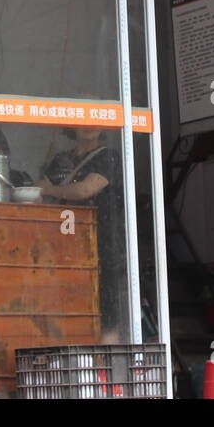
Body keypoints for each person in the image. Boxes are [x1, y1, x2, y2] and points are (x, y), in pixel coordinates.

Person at [37, 126, 126, 341]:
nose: (89, 126)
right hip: (65, 246)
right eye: (84, 120)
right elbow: (38, 186)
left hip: (103, 244)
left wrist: (49, 190)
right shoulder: (61, 160)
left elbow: (85, 190)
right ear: (72, 126)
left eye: (95, 121)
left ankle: (107, 367)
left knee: (105, 313)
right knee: (70, 305)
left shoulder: (109, 156)